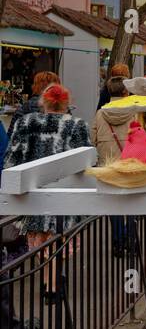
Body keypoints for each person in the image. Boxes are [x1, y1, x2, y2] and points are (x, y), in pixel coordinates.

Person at [5, 83, 91, 253]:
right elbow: (87, 164)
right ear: (67, 103)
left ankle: (49, 279)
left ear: (43, 102)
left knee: (42, 251)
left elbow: (11, 161)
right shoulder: (77, 125)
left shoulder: (26, 122)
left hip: (34, 199)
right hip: (66, 201)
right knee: (58, 251)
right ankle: (52, 279)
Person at [91, 76, 141, 259]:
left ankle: (118, 241)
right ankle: (130, 238)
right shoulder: (134, 112)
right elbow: (141, 137)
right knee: (132, 203)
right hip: (130, 163)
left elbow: (93, 139)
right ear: (125, 92)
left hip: (108, 164)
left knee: (114, 205)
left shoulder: (100, 114)